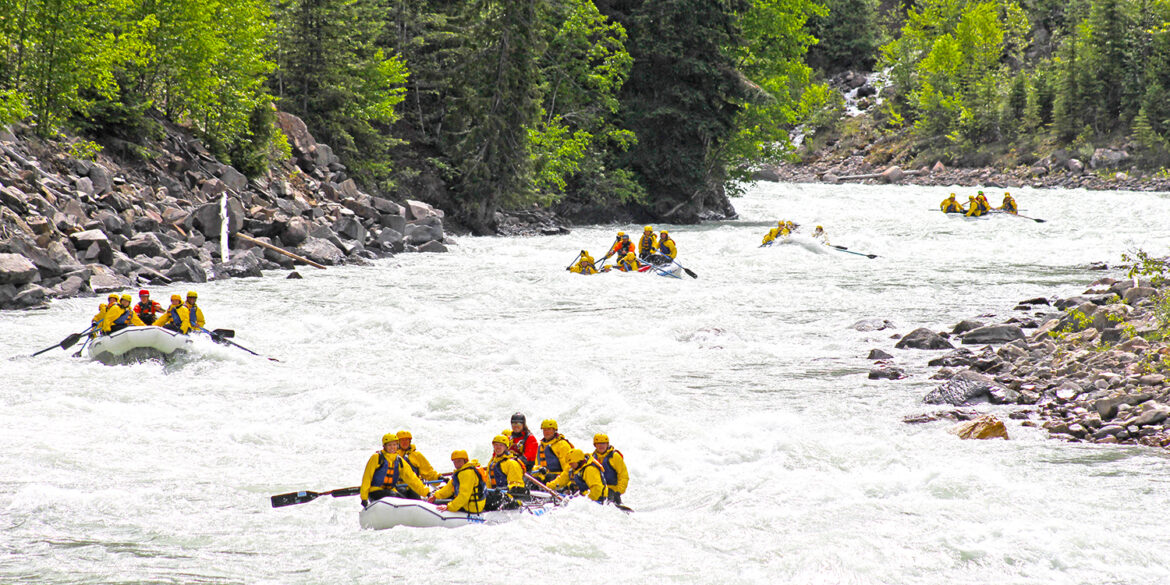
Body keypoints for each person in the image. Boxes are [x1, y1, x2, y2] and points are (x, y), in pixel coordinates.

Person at [360, 433, 429, 506]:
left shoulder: (399, 460)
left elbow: (412, 478)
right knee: (398, 499)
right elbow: (367, 478)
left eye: (395, 445)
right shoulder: (376, 457)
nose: (392, 447)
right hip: (375, 491)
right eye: (389, 445)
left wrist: (426, 492)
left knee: (410, 499)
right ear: (384, 446)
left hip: (390, 491)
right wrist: (364, 498)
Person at [592, 434, 628, 504]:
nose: (601, 446)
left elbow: (623, 476)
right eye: (598, 443)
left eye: (603, 443)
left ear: (607, 444)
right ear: (595, 445)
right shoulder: (592, 458)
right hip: (598, 490)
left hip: (613, 490)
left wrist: (619, 492)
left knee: (609, 497)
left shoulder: (615, 457)